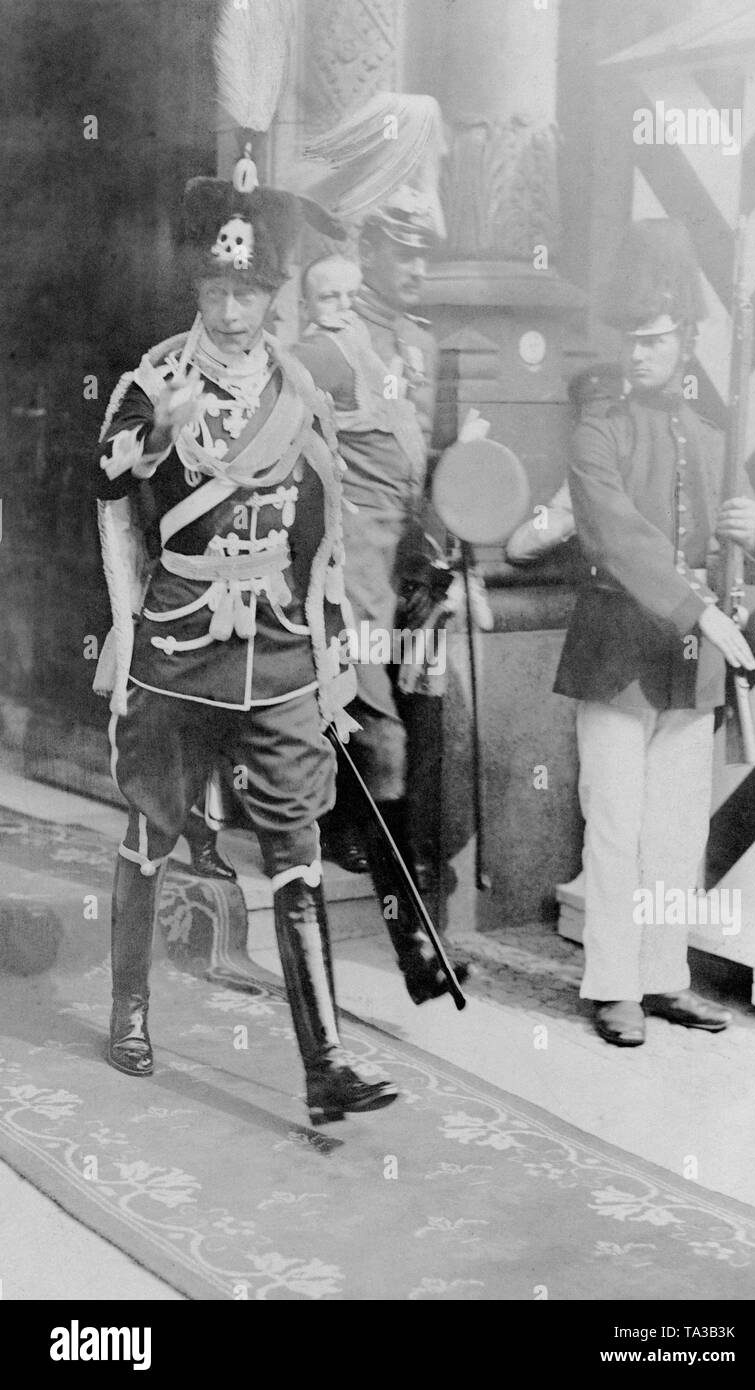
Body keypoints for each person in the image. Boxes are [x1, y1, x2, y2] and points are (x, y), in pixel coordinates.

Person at [92, 153, 397, 1125]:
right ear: (199, 286)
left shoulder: (299, 388)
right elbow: (108, 498)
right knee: (148, 833)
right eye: (219, 290)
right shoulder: (152, 379)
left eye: (251, 293)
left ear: (273, 296)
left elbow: (327, 532)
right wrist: (128, 618)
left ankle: (326, 1064)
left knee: (296, 848)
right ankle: (129, 1009)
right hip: (180, 646)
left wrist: (335, 658)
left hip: (274, 650)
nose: (232, 312)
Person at [553, 218, 755, 1047]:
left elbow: (749, 560)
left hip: (691, 665)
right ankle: (611, 984)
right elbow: (617, 534)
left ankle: (660, 977)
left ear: (685, 339)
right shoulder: (598, 426)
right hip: (616, 650)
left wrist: (751, 531)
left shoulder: (711, 435)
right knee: (612, 823)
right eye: (631, 338)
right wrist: (702, 613)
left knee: (675, 830)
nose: (637, 352)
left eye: (653, 339)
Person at [294, 190, 471, 1005]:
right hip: (348, 580)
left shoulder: (422, 345)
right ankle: (415, 953)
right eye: (404, 254)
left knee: (414, 744)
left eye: (427, 255)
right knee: (384, 747)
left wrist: (443, 550)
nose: (417, 269)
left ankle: (407, 925)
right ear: (367, 252)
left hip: (410, 579)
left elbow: (429, 464)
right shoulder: (329, 348)